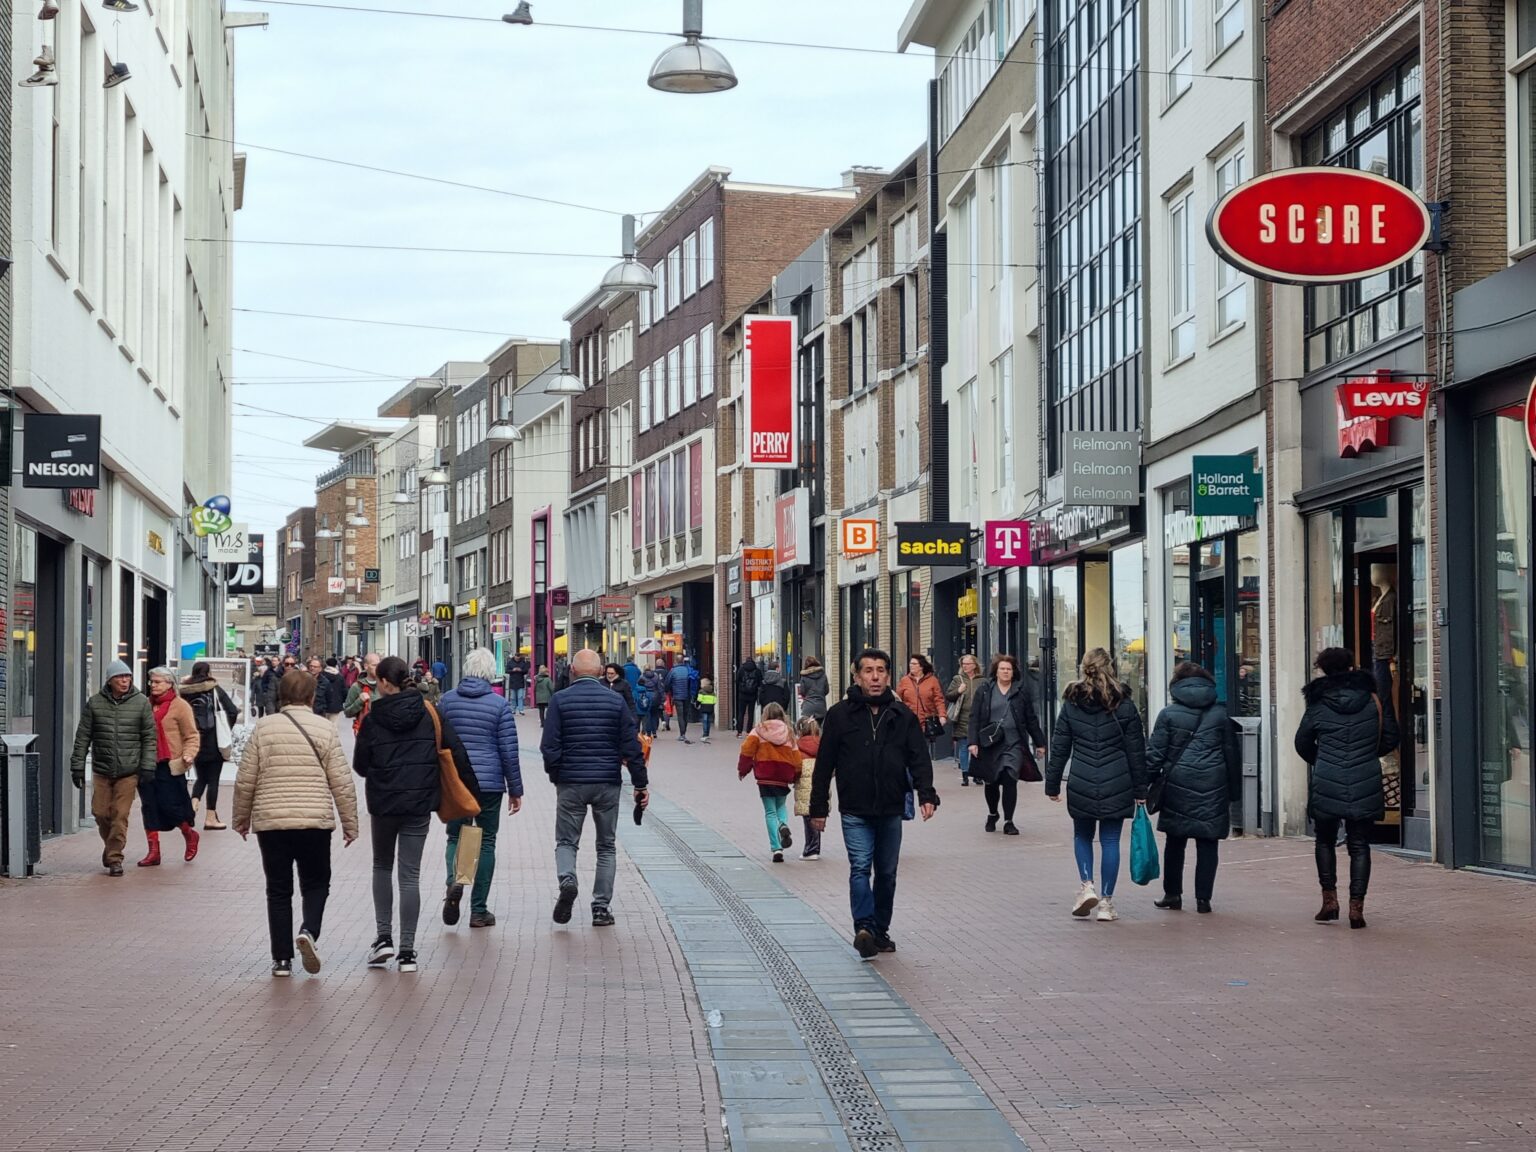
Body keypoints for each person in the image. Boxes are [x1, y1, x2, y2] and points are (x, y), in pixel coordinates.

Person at [810, 649, 939, 959]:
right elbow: (824, 763)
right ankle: (864, 928)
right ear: (857, 677)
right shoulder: (840, 715)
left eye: (881, 670)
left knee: (887, 873)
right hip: (855, 808)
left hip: (891, 807)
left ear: (889, 676)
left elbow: (918, 757)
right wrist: (818, 808)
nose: (875, 676)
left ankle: (880, 931)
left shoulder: (901, 715)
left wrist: (926, 794)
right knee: (859, 867)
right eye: (868, 671)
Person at [353, 655, 479, 973]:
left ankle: (384, 939)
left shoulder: (372, 718)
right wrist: (474, 795)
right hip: (420, 803)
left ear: (383, 682)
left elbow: (361, 766)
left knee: (382, 866)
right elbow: (457, 753)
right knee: (410, 875)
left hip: (383, 804)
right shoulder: (429, 713)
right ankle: (408, 951)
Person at [232, 669, 359, 977]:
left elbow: (245, 778)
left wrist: (241, 818)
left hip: (272, 821)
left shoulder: (263, 728)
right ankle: (309, 931)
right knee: (316, 883)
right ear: (312, 696)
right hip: (314, 820)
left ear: (282, 695)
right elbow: (341, 780)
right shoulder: (324, 729)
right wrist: (350, 822)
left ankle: (282, 960)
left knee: (278, 889)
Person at [540, 649, 648, 928]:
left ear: (572, 671)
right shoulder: (615, 701)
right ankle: (601, 907)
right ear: (601, 673)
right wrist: (640, 784)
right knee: (606, 846)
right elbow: (631, 746)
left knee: (566, 841)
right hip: (606, 782)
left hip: (571, 782)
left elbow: (549, 746)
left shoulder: (559, 701)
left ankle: (568, 879)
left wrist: (557, 775)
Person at [1296, 646, 1398, 929]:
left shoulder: (1317, 703)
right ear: (1351, 667)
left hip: (1327, 776)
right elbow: (1391, 735)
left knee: (1325, 839)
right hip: (1365, 775)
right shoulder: (1374, 698)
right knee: (1359, 844)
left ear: (1324, 670)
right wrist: (1367, 754)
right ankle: (1357, 908)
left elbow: (1302, 741)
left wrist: (1322, 759)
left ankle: (1329, 901)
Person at [1045, 648, 1148, 923]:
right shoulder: (1124, 703)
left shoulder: (1071, 703)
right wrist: (1141, 790)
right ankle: (1106, 902)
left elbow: (1060, 747)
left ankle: (1086, 885)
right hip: (1118, 780)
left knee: (1082, 835)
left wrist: (1052, 784)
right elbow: (1136, 751)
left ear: (1084, 668)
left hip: (1081, 779)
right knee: (1111, 840)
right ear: (1110, 668)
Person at [437, 648, 524, 928]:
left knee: (456, 837)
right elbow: (508, 751)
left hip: (456, 781)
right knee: (485, 841)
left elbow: (437, 742)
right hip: (488, 782)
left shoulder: (447, 701)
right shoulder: (499, 705)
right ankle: (478, 910)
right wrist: (515, 789)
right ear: (489, 673)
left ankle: (454, 882)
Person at [1147, 662, 1242, 914]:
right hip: (1213, 783)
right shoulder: (1220, 714)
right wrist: (1234, 791)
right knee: (1208, 841)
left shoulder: (1168, 714)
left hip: (1177, 783)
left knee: (1175, 841)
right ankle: (1203, 899)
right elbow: (1232, 754)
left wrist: (1142, 784)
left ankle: (1172, 894)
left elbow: (1155, 753)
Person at [70, 659, 156, 876]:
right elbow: (83, 736)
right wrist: (77, 765)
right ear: (110, 680)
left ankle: (115, 858)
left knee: (120, 815)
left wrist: (147, 767)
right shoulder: (95, 703)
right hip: (102, 769)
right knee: (100, 813)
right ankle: (111, 848)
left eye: (127, 677)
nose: (124, 681)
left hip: (129, 770)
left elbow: (149, 737)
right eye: (119, 677)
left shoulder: (142, 703)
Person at [967, 653, 1048, 835]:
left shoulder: (1020, 691)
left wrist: (1040, 743)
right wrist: (973, 742)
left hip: (1014, 744)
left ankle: (1009, 821)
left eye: (1009, 669)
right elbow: (974, 717)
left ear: (1013, 672)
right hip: (990, 744)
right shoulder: (985, 690)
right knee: (992, 782)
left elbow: (1031, 719)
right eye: (1002, 669)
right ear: (996, 671)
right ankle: (993, 813)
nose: (1005, 672)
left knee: (1010, 779)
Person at [139, 668, 202, 867]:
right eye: (152, 682)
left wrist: (189, 753)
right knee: (149, 806)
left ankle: (189, 834)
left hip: (170, 765)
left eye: (158, 682)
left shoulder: (180, 706)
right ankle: (154, 851)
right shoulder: (144, 705)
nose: (153, 685)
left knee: (172, 805)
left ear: (169, 683)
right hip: (147, 763)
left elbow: (191, 735)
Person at [737, 702, 801, 863]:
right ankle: (783, 825)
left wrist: (743, 770)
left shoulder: (758, 731)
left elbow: (746, 751)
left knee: (770, 812)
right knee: (781, 806)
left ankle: (776, 848)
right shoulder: (789, 732)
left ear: (765, 715)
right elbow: (796, 757)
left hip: (765, 776)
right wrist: (796, 775)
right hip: (782, 776)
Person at [182, 661, 239, 831]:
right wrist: (226, 726)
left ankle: (192, 808)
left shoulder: (185, 692)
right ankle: (210, 818)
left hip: (194, 741)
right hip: (214, 741)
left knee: (201, 777)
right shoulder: (214, 689)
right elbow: (233, 711)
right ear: (208, 672)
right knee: (213, 779)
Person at [896, 655, 948, 756]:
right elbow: (898, 700)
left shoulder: (932, 680)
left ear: (921, 666)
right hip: (908, 722)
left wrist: (942, 715)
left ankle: (921, 770)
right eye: (910, 663)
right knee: (908, 751)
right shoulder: (904, 680)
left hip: (926, 722)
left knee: (923, 751)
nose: (911, 666)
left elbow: (939, 699)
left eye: (914, 664)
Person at [947, 654, 984, 786]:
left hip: (979, 718)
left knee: (977, 746)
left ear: (974, 665)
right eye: (963, 664)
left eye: (968, 664)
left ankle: (977, 774)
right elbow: (949, 696)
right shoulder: (958, 679)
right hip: (962, 717)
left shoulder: (982, 680)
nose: (965, 666)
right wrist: (958, 691)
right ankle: (965, 774)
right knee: (964, 746)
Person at [794, 717, 822, 860]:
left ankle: (811, 849)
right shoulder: (822, 745)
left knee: (808, 817)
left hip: (804, 787)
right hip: (820, 786)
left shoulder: (798, 747)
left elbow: (795, 767)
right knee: (818, 815)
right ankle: (816, 847)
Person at [343, 653, 381, 737]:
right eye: (374, 665)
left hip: (383, 732)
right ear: (366, 666)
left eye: (379, 665)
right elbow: (347, 712)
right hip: (365, 734)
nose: (378, 668)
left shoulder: (385, 685)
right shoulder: (357, 687)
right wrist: (359, 702)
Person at [667, 656, 696, 743]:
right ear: (683, 661)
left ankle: (682, 734)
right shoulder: (688, 670)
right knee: (685, 715)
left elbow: (667, 682)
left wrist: (669, 691)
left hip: (677, 696)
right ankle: (684, 733)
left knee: (680, 715)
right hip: (687, 696)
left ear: (676, 661)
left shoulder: (673, 671)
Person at [735, 657, 762, 735]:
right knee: (751, 714)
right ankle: (748, 731)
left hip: (742, 695)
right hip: (752, 695)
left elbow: (737, 680)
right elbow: (760, 682)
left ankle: (739, 731)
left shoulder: (741, 669)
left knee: (741, 713)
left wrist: (740, 688)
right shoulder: (757, 670)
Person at [798, 656, 830, 723]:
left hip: (808, 708)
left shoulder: (804, 676)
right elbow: (826, 690)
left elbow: (802, 691)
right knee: (820, 730)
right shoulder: (823, 675)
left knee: (808, 730)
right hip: (821, 707)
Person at [637, 665, 664, 737]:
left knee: (647, 715)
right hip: (655, 697)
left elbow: (640, 687)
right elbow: (660, 688)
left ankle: (648, 732)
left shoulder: (641, 677)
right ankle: (654, 731)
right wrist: (662, 699)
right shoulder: (656, 676)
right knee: (654, 715)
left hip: (646, 697)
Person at [696, 674, 717, 744]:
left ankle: (704, 734)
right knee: (708, 721)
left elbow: (699, 700)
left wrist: (697, 705)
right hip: (710, 708)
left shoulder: (701, 691)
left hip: (704, 708)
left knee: (704, 721)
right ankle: (707, 733)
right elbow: (715, 701)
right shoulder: (712, 692)